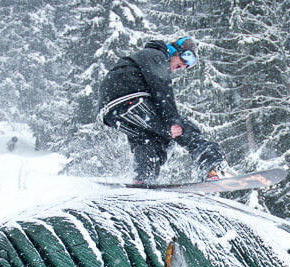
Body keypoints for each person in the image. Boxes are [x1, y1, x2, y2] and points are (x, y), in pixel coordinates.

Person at [98, 36, 229, 183]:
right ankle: (212, 167)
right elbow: (161, 89)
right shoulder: (156, 55)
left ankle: (143, 179)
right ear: (174, 50)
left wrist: (139, 146)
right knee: (185, 130)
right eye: (186, 57)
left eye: (190, 64)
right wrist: (173, 121)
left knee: (149, 139)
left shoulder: (146, 57)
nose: (185, 65)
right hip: (131, 99)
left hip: (112, 113)